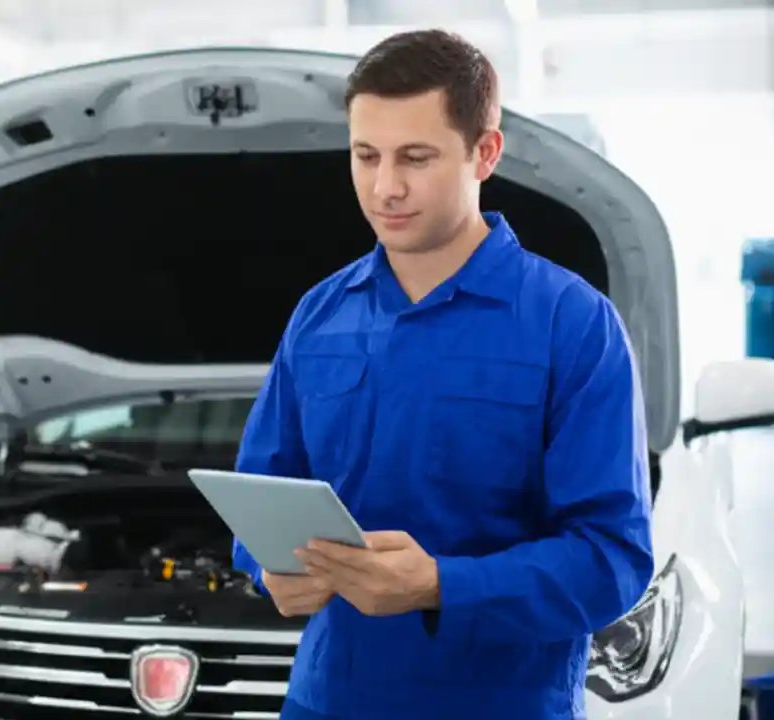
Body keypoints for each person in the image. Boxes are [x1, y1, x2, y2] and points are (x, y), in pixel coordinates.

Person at [231, 29, 654, 720]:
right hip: (327, 702)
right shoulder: (320, 316)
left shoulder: (572, 324)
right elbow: (260, 498)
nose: (384, 186)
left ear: (485, 152)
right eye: (365, 156)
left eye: (416, 158)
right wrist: (267, 568)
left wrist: (439, 585)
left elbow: (611, 561)